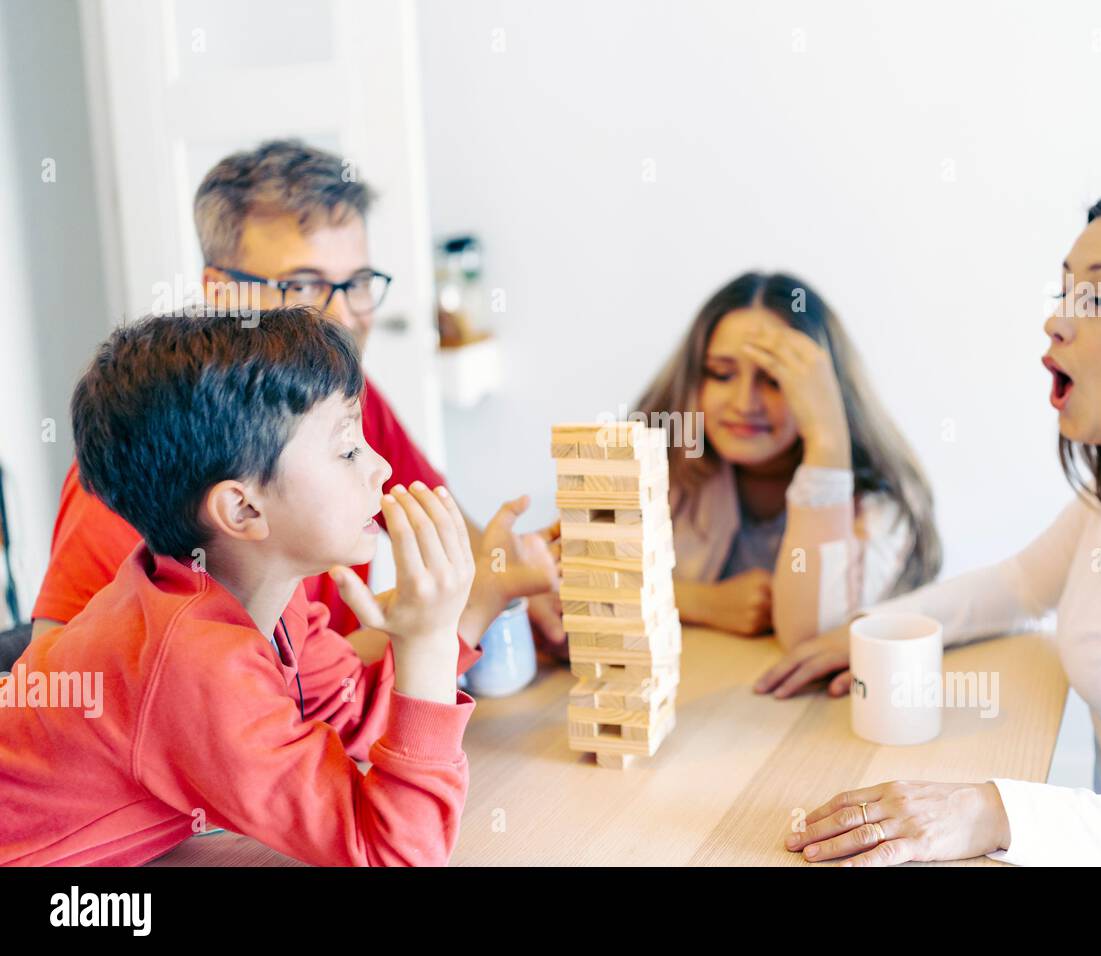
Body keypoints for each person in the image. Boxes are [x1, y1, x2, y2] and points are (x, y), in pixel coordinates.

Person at [759, 188, 1101, 866]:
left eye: (1099, 299)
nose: (1055, 322)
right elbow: (1017, 585)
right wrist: (872, 629)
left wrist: (992, 809)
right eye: (1064, 292)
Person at [29, 139, 563, 658]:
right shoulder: (152, 455)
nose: (342, 317)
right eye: (303, 286)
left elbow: (461, 557)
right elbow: (61, 691)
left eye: (357, 283)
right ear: (221, 293)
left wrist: (519, 582)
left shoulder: (345, 402)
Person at [0, 308, 479, 866]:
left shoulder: (268, 601)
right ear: (243, 508)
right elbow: (395, 853)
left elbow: (354, 710)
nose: (379, 469)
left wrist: (433, 628)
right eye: (347, 449)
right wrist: (430, 643)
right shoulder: (196, 663)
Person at [634, 272, 940, 645]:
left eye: (775, 381)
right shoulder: (662, 462)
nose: (745, 403)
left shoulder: (879, 502)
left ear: (826, 394)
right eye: (722, 374)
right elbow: (576, 581)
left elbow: (815, 636)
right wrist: (700, 602)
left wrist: (827, 442)